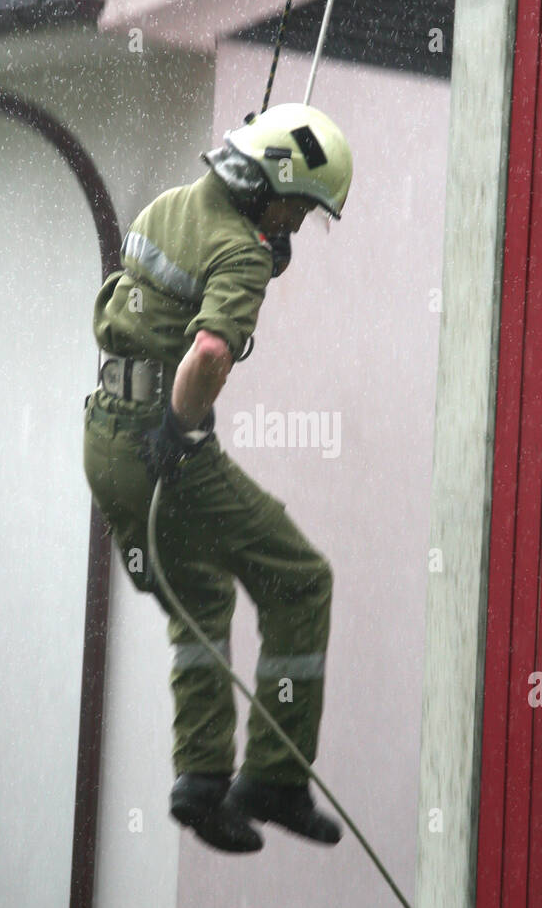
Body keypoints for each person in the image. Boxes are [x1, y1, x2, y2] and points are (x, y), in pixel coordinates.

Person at [82, 103, 352, 854]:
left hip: (104, 440)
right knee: (300, 580)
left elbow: (153, 299)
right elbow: (206, 354)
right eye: (299, 207)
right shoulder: (243, 252)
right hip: (164, 447)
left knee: (196, 597)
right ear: (270, 184)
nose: (297, 225)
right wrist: (178, 430)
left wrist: (257, 234)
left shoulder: (170, 205)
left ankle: (201, 782)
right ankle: (273, 775)